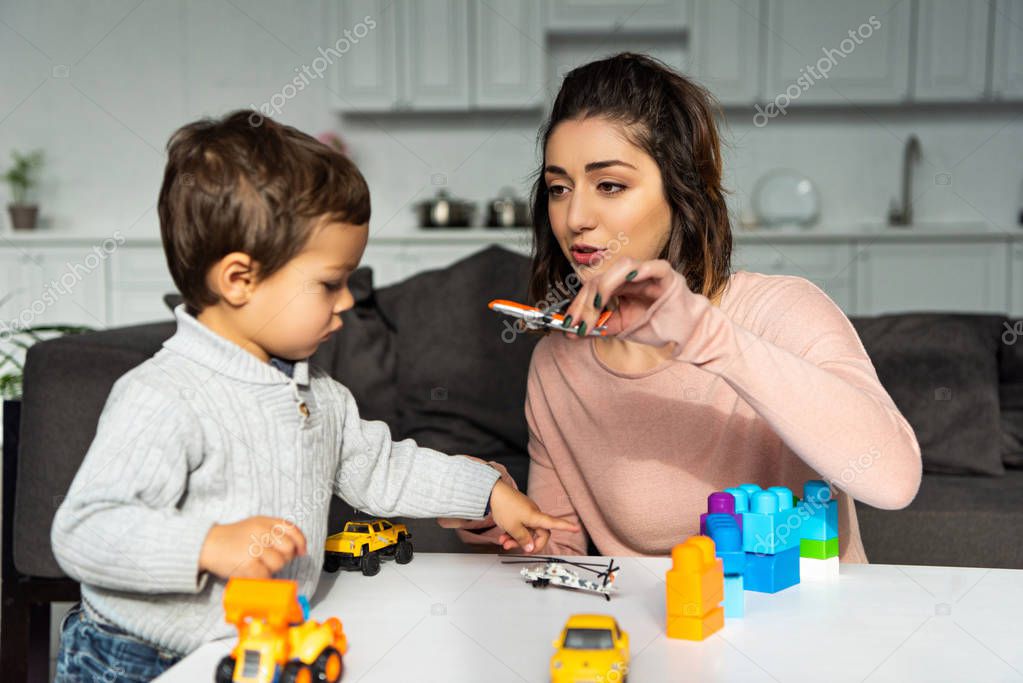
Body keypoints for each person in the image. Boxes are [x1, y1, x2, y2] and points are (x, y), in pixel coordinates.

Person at [51, 110, 576, 681]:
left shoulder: (320, 396)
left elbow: (382, 469)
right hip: (138, 656)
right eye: (330, 283)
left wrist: (487, 492)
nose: (348, 302)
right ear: (239, 280)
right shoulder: (164, 395)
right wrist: (207, 544)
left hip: (259, 645)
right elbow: (85, 531)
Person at [455, 53, 921, 559]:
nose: (575, 217)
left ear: (681, 192)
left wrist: (705, 336)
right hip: (661, 634)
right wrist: (509, 517)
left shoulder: (784, 310)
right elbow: (563, 547)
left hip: (808, 630)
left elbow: (894, 480)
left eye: (609, 185)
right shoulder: (557, 364)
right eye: (559, 188)